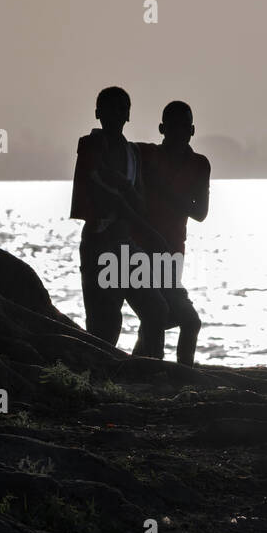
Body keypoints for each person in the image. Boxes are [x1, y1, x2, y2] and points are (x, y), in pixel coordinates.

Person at [69, 86, 169, 357]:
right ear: (97, 113)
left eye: (121, 108)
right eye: (109, 108)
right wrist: (128, 199)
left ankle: (146, 370)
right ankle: (100, 378)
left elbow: (137, 200)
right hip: (99, 244)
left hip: (126, 244)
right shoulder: (90, 146)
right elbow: (104, 195)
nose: (116, 114)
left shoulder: (132, 154)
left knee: (156, 310)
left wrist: (126, 193)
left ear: (128, 114)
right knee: (106, 325)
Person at [134, 100, 211, 366]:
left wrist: (164, 191)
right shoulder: (145, 155)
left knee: (188, 322)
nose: (179, 133)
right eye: (173, 127)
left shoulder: (200, 165)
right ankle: (152, 375)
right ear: (161, 128)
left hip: (173, 255)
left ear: (192, 131)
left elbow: (200, 213)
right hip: (139, 253)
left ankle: (182, 378)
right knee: (155, 315)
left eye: (184, 127)